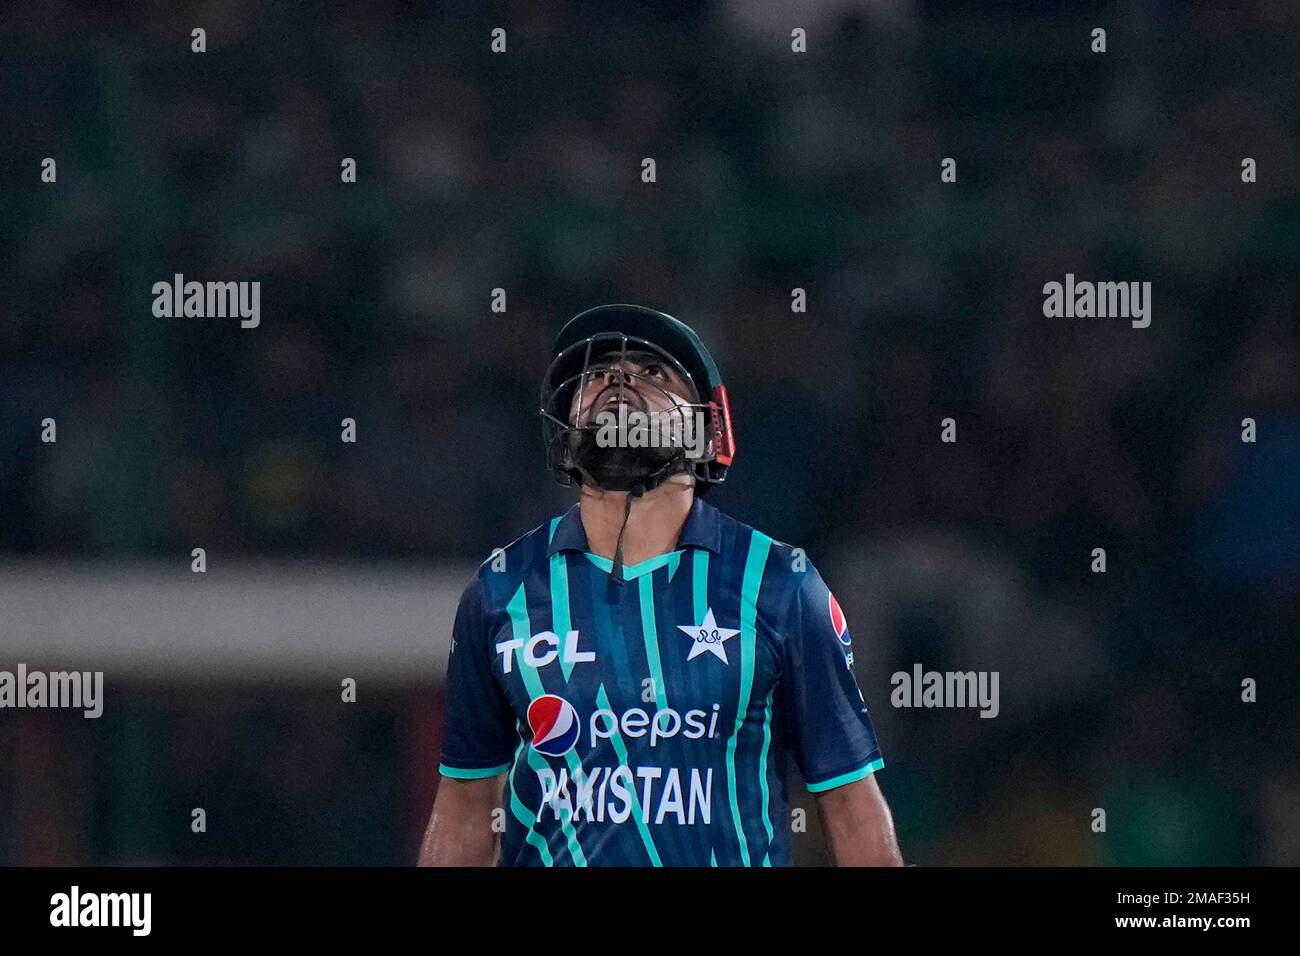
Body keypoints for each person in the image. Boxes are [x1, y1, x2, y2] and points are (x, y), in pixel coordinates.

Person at [419, 304, 903, 866]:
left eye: (652, 372)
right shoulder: (500, 588)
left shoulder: (780, 583)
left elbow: (849, 802)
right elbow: (466, 803)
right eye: (596, 375)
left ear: (707, 427)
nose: (617, 383)